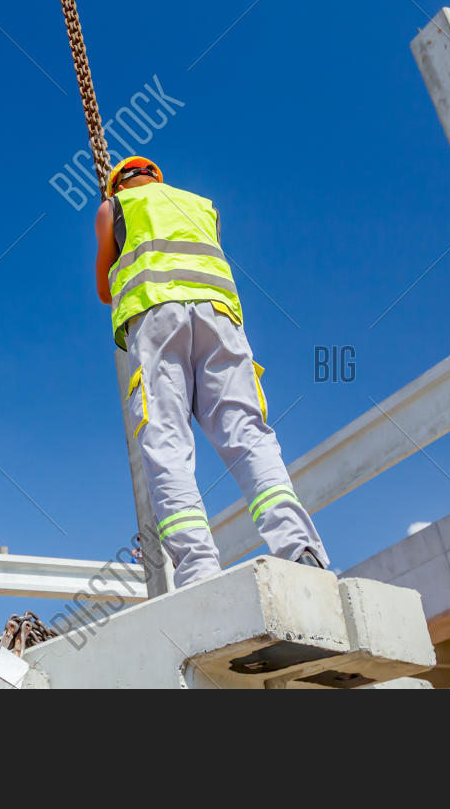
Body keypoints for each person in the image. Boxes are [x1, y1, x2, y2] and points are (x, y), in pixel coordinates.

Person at [95, 155, 329, 587]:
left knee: (165, 439)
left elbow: (105, 289)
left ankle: (199, 572)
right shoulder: (204, 206)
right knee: (247, 433)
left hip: (156, 318)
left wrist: (110, 230)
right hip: (220, 318)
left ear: (116, 186)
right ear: (155, 177)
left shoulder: (114, 209)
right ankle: (301, 548)